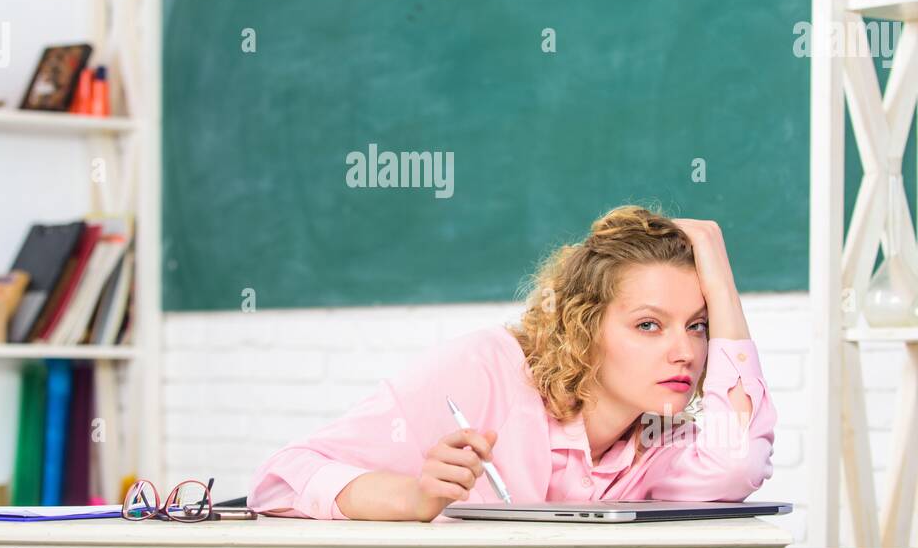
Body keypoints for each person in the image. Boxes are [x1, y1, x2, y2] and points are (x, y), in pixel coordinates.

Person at [247, 205, 777, 521]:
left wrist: (721, 281)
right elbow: (280, 480)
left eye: (699, 325)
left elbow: (736, 464)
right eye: (648, 325)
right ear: (584, 327)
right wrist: (414, 496)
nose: (685, 351)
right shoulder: (487, 371)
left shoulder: (657, 440)